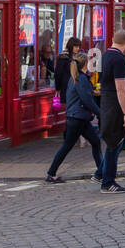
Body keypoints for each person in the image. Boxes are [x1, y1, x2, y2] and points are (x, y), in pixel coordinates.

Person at [45, 51, 103, 183]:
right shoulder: (81, 79)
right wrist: (100, 113)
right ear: (84, 64)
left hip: (78, 117)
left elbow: (83, 96)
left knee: (95, 142)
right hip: (77, 118)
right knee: (67, 146)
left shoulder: (76, 78)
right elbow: (87, 99)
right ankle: (51, 173)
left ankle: (101, 172)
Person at [98, 29, 125, 193]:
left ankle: (100, 173)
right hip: (115, 105)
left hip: (106, 102)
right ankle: (107, 182)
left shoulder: (105, 56)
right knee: (114, 142)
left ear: (112, 39)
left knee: (115, 141)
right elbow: (121, 89)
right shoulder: (118, 59)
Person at [54, 36, 81, 106]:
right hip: (66, 87)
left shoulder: (77, 58)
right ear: (71, 46)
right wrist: (58, 88)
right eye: (76, 46)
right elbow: (58, 74)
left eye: (78, 46)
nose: (78, 48)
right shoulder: (63, 58)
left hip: (75, 87)